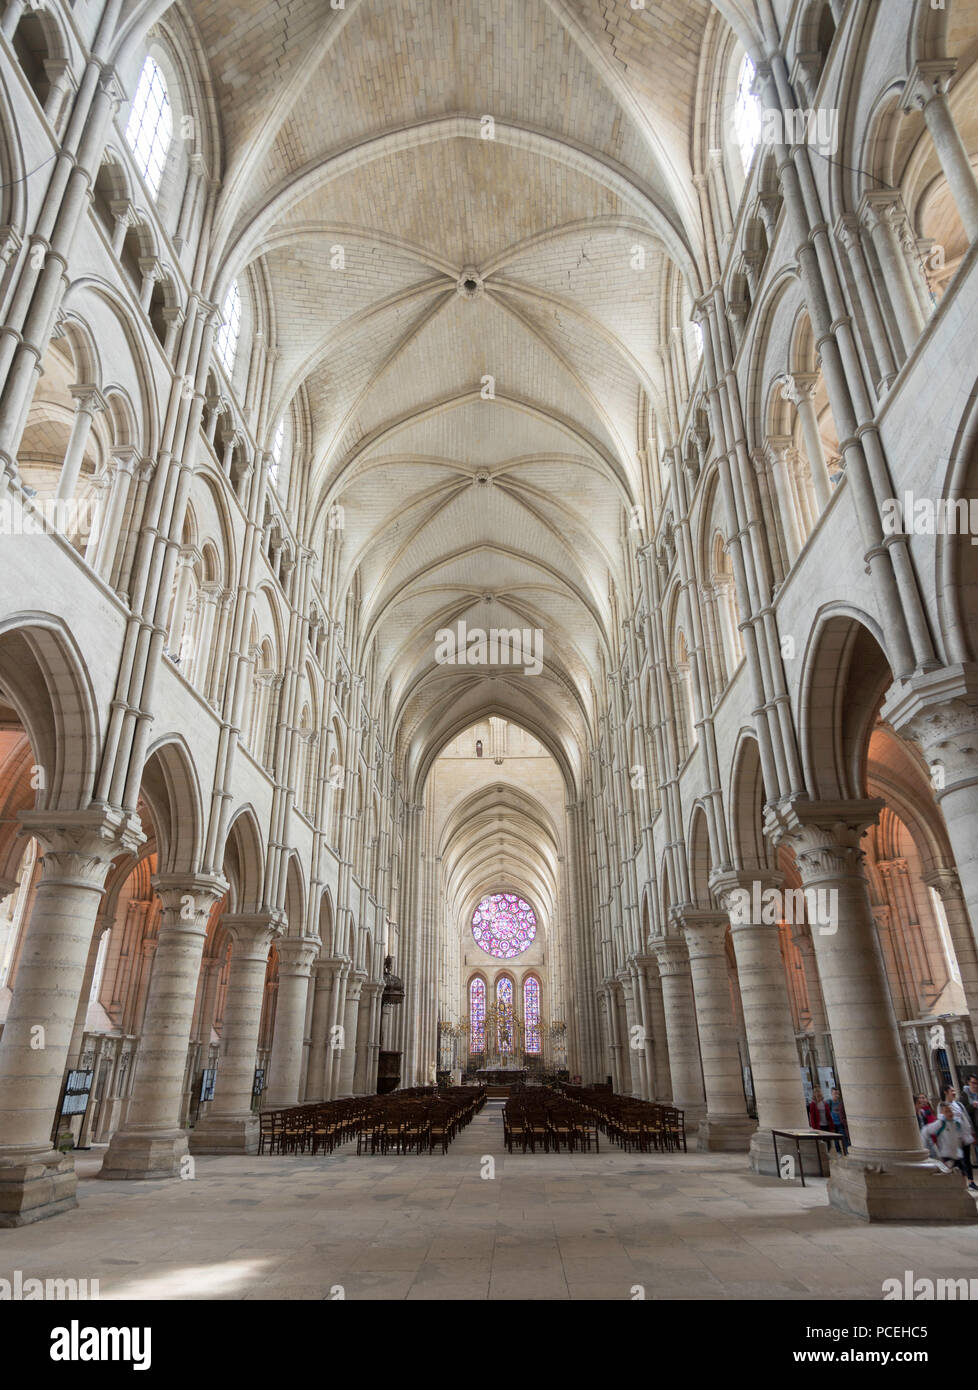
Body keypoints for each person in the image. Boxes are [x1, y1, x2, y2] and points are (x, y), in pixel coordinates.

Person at [923, 1103, 978, 1194]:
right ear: (942, 1113)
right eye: (946, 1111)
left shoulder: (957, 1123)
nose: (950, 1113)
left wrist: (968, 1139)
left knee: (962, 1173)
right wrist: (927, 1146)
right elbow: (925, 1131)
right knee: (951, 1174)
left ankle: (965, 1192)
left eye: (950, 1110)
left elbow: (963, 1133)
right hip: (946, 1155)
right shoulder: (940, 1124)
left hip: (957, 1154)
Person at [828, 1087, 849, 1153]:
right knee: (836, 1139)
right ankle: (838, 1151)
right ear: (831, 1093)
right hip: (833, 1124)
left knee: (844, 1137)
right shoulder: (829, 1102)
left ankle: (846, 1151)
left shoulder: (840, 1102)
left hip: (840, 1123)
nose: (836, 1095)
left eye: (837, 1093)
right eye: (835, 1093)